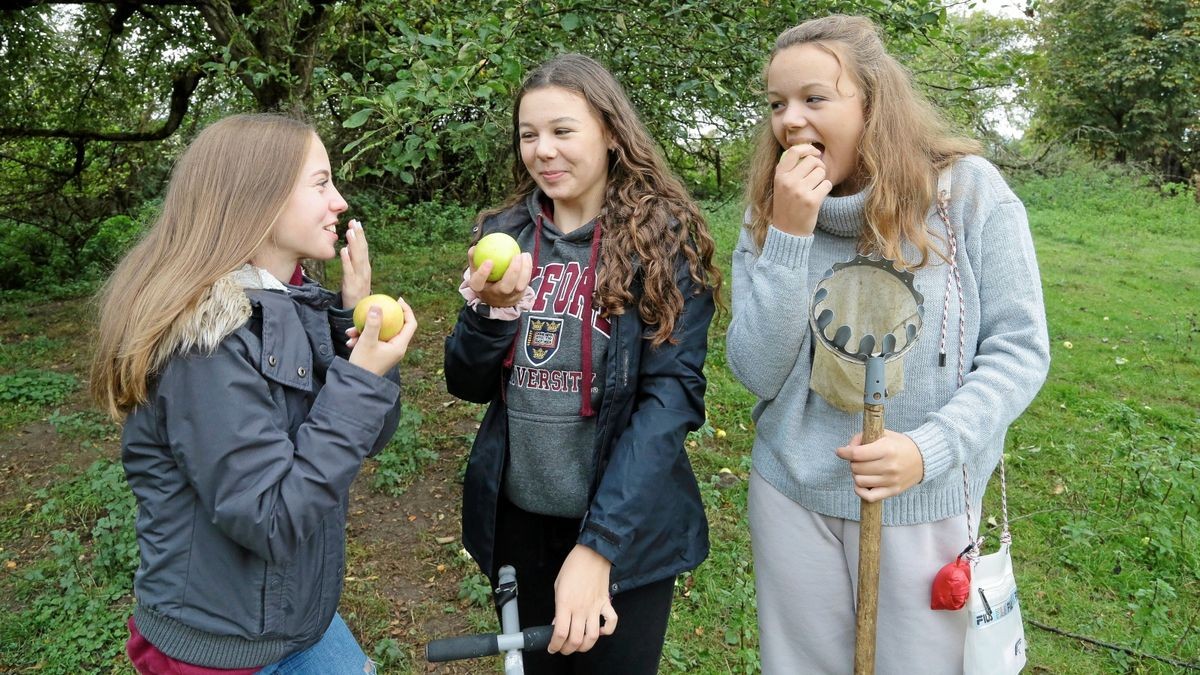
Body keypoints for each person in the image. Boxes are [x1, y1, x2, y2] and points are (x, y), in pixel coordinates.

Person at [725, 15, 1050, 675]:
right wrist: (790, 235)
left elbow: (1018, 351)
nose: (789, 119)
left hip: (921, 499)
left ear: (873, 102)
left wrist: (925, 450)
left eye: (814, 98)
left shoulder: (966, 195)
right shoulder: (770, 211)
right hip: (793, 494)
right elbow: (757, 371)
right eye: (777, 103)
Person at [90, 113, 417, 674]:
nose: (339, 201)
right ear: (258, 199)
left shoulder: (288, 303)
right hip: (221, 649)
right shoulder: (203, 344)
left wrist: (349, 326)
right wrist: (358, 377)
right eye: (321, 183)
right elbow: (271, 516)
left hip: (292, 619)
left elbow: (371, 438)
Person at [443, 53, 720, 673]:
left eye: (563, 131)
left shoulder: (664, 240)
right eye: (528, 135)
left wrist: (599, 548)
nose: (543, 151)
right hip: (520, 521)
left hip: (625, 526)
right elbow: (466, 382)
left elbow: (671, 399)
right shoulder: (505, 234)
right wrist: (491, 315)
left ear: (611, 133)